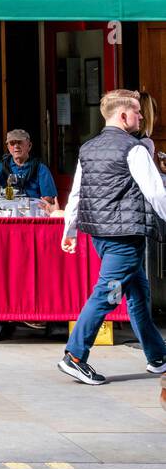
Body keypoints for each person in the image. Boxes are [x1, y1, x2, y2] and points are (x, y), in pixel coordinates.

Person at [58, 89, 166, 386]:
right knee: (108, 293)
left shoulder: (88, 148)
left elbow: (77, 193)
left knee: (137, 293)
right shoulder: (134, 149)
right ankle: (75, 356)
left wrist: (70, 230)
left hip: (101, 237)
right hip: (125, 237)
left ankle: (158, 356)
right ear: (122, 116)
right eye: (136, 111)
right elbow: (156, 192)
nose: (141, 115)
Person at [0, 129, 57, 206]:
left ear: (29, 146)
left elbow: (50, 199)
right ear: (8, 148)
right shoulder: (1, 167)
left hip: (33, 213)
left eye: (19, 142)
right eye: (12, 143)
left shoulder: (40, 169)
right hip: (7, 212)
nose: (16, 146)